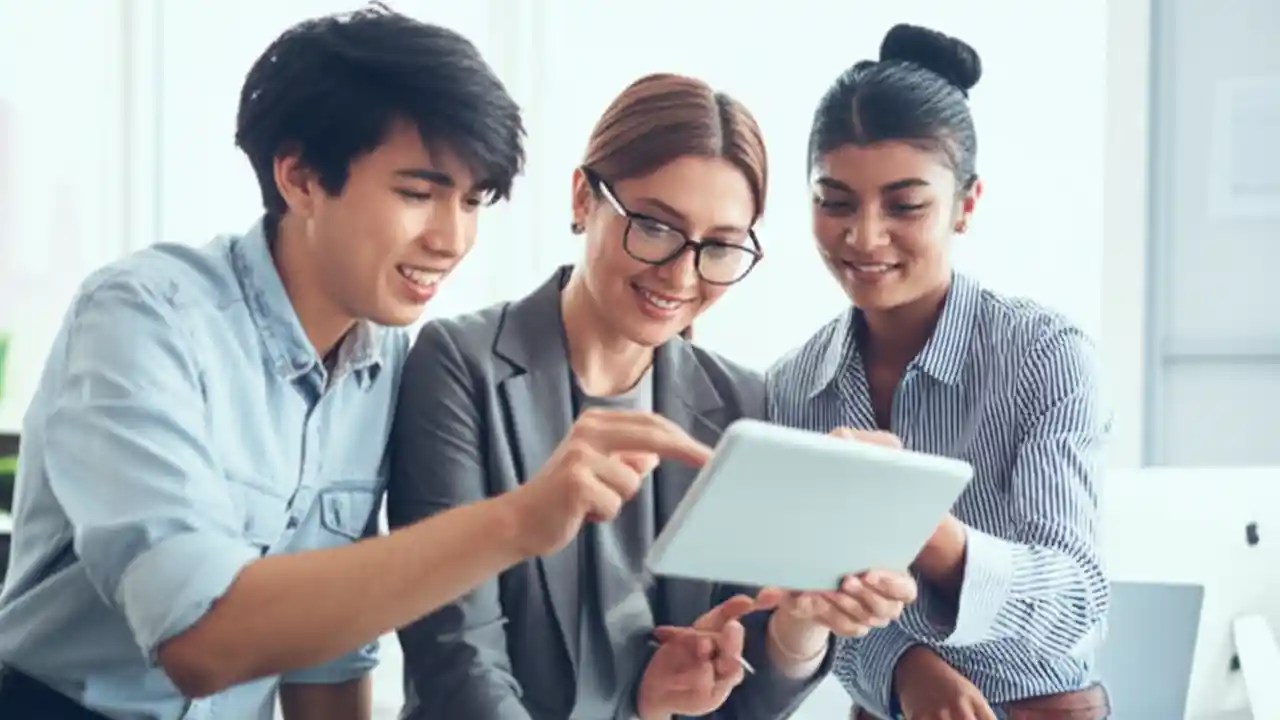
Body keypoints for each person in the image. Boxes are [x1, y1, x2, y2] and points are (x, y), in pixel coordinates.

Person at [0, 8, 713, 720]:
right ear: (301, 179)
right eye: (418, 194)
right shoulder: (144, 318)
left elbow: (327, 659)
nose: (451, 238)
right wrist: (518, 521)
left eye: (472, 202)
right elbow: (199, 640)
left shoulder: (384, 362)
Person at [388, 72, 919, 720]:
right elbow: (458, 659)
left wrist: (799, 624)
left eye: (720, 246)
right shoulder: (459, 367)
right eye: (655, 226)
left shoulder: (740, 404)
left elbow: (742, 699)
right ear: (584, 198)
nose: (680, 273)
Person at [767, 24, 1112, 720]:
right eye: (835, 201)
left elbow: (1076, 602)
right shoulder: (791, 389)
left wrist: (927, 525)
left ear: (966, 204)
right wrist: (904, 667)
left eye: (905, 205)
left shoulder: (1044, 355)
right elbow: (803, 599)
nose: (864, 237)